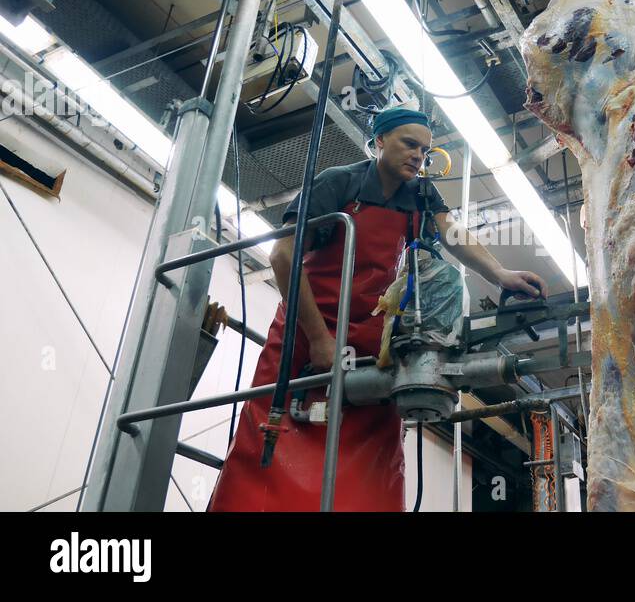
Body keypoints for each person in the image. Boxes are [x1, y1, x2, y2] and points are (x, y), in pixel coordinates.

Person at [208, 107, 548, 511]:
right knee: (272, 436)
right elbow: (283, 256)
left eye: (425, 150)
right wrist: (318, 338)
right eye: (410, 144)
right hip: (306, 332)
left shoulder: (420, 195)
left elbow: (452, 233)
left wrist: (501, 274)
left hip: (370, 344)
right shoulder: (338, 182)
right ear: (380, 141)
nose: (418, 156)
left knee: (374, 462)